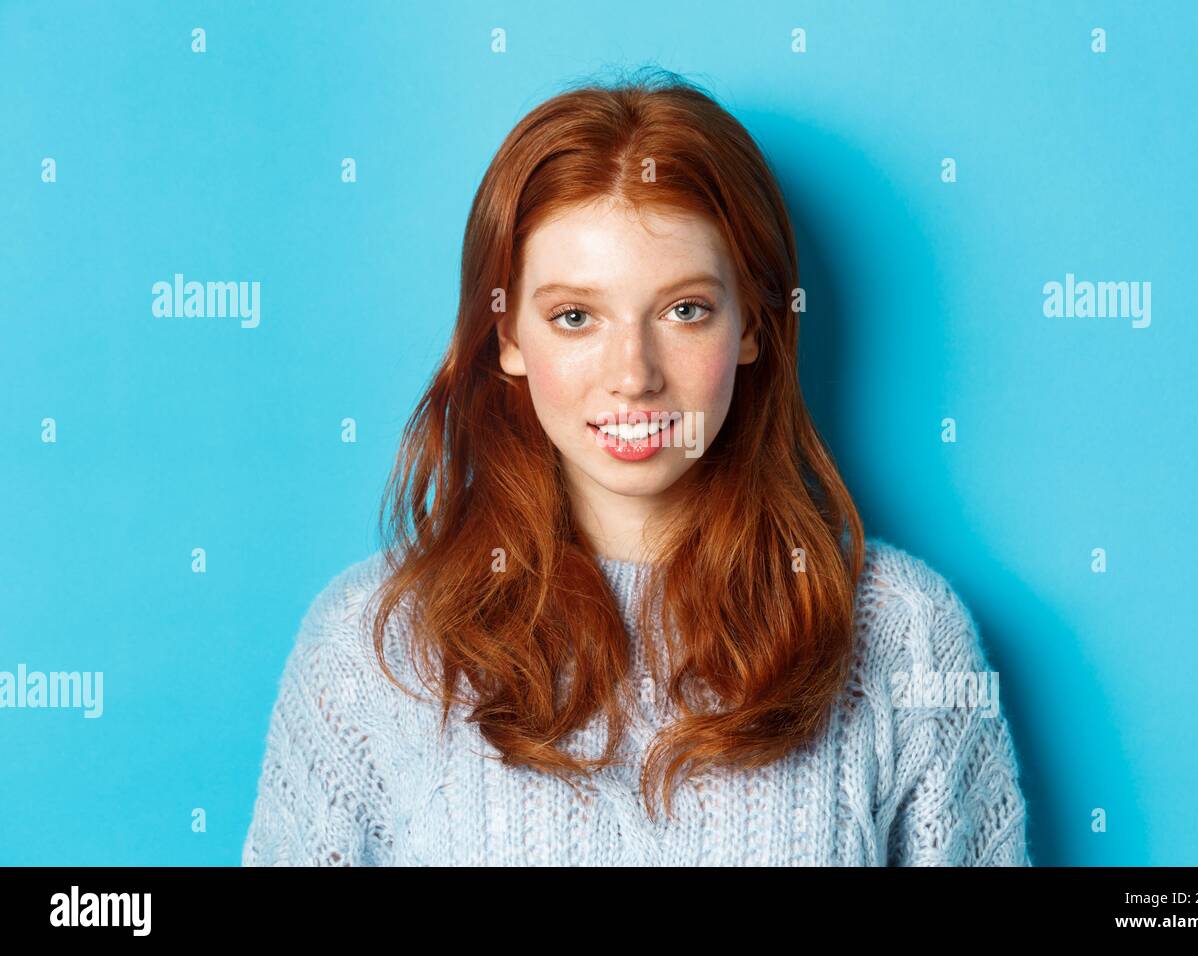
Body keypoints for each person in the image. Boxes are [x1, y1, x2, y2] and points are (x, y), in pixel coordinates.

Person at [241, 67, 1031, 866]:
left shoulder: (901, 636)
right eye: (575, 316)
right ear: (508, 336)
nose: (634, 372)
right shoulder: (369, 647)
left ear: (754, 325)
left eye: (685, 310)